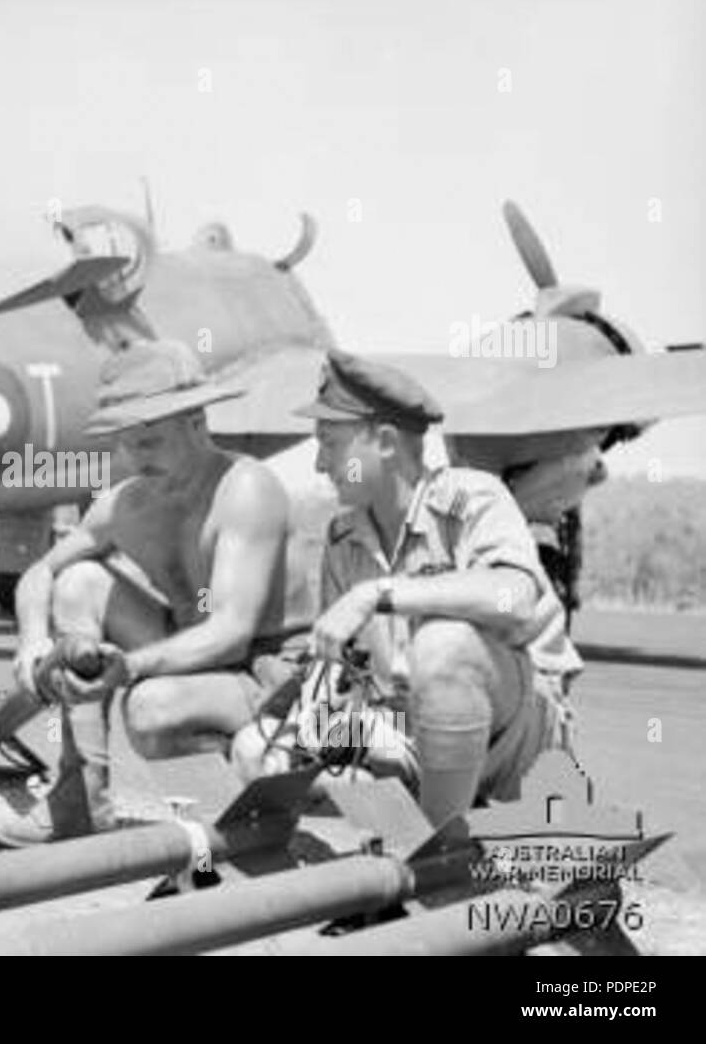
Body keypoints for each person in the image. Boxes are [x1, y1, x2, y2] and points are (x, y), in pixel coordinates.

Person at [242, 349, 580, 826]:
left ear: (383, 442)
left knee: (443, 645)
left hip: (515, 739)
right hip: (408, 729)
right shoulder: (344, 539)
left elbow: (514, 597)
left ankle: (439, 849)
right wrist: (296, 734)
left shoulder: (472, 496)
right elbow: (337, 670)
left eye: (330, 444)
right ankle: (392, 838)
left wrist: (376, 593)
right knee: (256, 747)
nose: (319, 464)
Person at [0, 339, 293, 847]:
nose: (133, 456)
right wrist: (33, 641)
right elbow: (40, 571)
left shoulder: (246, 488)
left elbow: (233, 633)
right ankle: (80, 799)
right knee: (78, 582)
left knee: (149, 708)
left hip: (269, 678)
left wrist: (127, 668)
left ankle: (239, 815)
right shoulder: (125, 504)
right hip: (196, 658)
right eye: (125, 441)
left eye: (149, 441)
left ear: (197, 423)